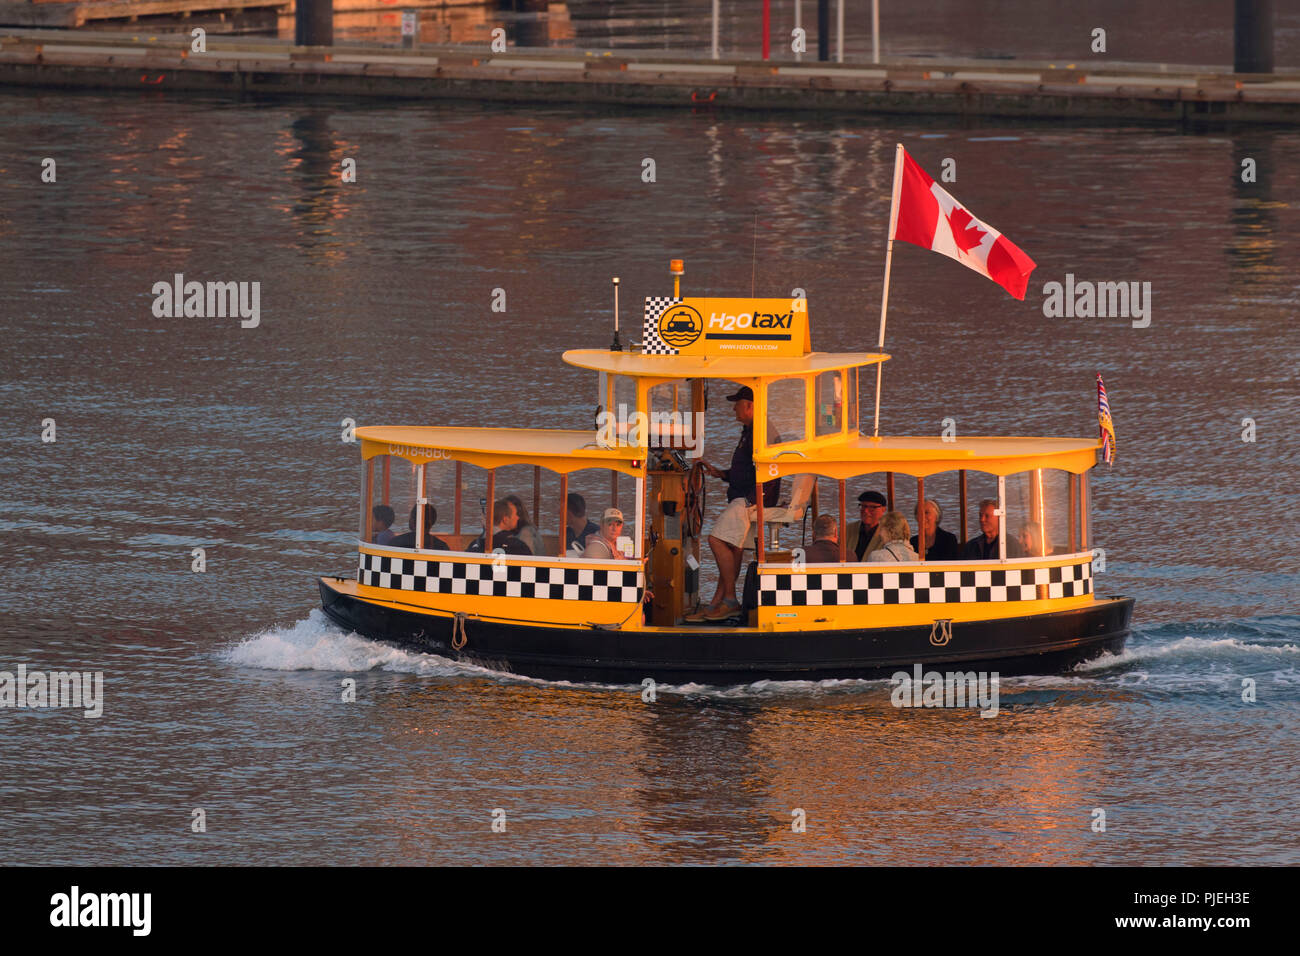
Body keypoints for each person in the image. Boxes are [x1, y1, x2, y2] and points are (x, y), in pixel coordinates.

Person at [686, 386, 782, 622]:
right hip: (745, 496)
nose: (733, 408)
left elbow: (771, 470)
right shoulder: (749, 430)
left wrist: (751, 500)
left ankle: (730, 599)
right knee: (733, 546)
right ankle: (717, 601)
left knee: (716, 540)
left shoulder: (761, 432)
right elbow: (747, 471)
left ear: (750, 405)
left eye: (737, 403)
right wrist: (721, 474)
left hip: (750, 499)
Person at [468, 499, 532, 555]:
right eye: (515, 514)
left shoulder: (475, 545)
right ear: (505, 520)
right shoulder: (518, 547)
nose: (518, 518)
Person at [847, 490, 886, 561]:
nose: (866, 511)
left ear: (883, 509)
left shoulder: (888, 533)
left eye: (872, 508)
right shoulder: (848, 529)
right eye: (863, 506)